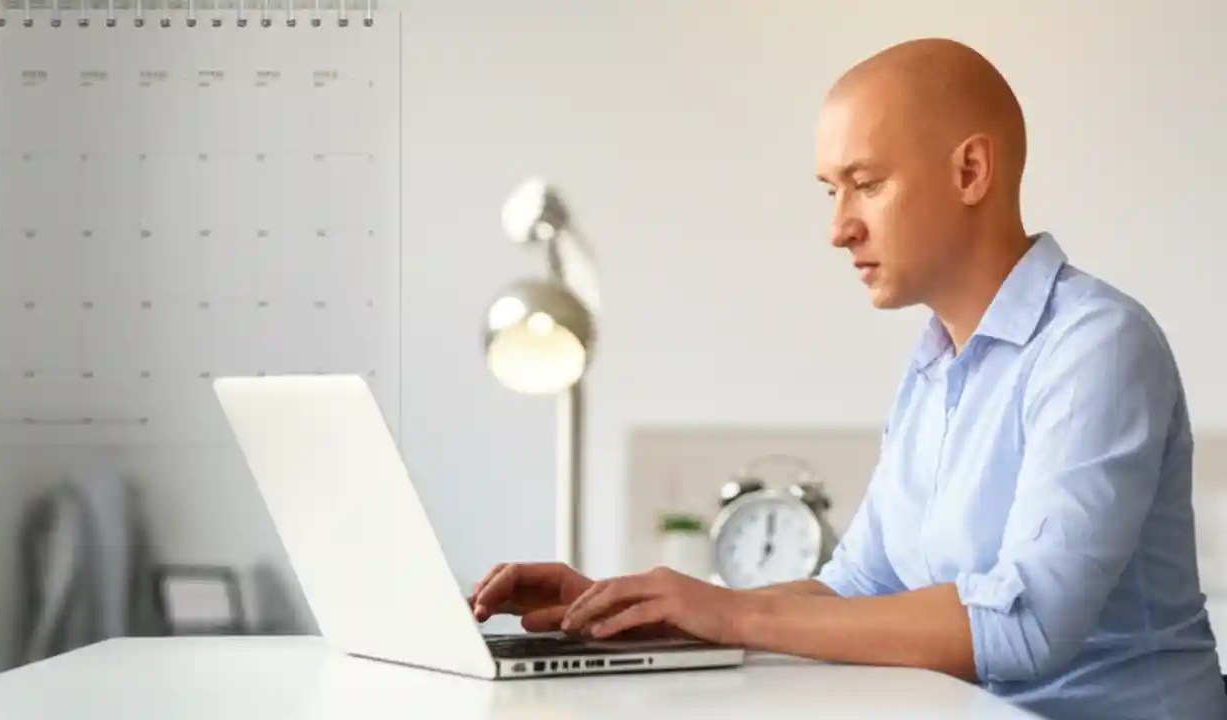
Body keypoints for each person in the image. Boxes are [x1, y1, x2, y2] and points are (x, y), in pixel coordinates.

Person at [468, 38, 1226, 720]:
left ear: (971, 171)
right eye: (831, 190)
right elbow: (858, 586)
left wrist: (733, 616)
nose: (839, 229)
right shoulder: (936, 365)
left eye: (865, 183)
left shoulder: (1096, 347)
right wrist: (640, 611)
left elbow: (1026, 626)